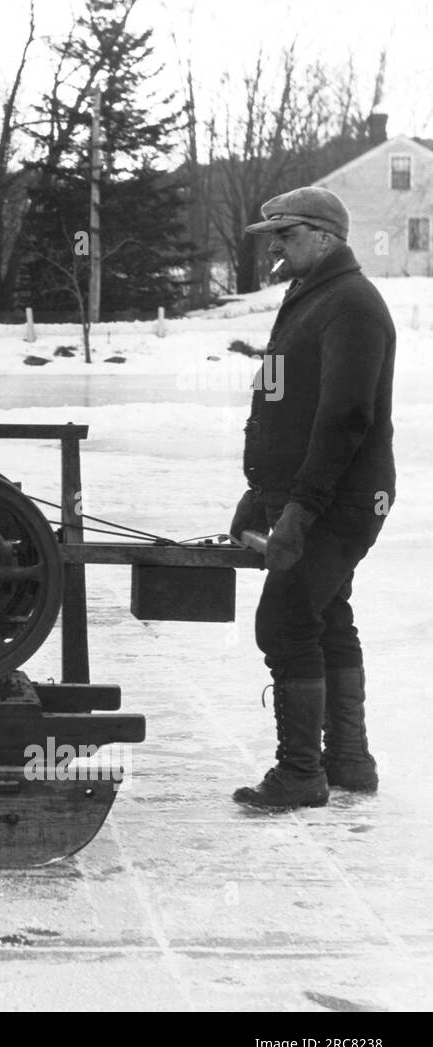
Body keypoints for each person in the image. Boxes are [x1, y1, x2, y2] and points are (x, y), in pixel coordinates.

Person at [228, 186, 395, 809]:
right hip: (306, 493)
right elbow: (275, 395)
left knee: (286, 621)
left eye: (287, 233)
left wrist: (301, 507)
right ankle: (348, 760)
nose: (276, 244)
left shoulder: (349, 304)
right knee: (325, 614)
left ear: (325, 238)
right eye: (274, 234)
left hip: (340, 499)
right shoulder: (309, 299)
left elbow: (348, 415)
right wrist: (259, 490)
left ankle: (301, 774)